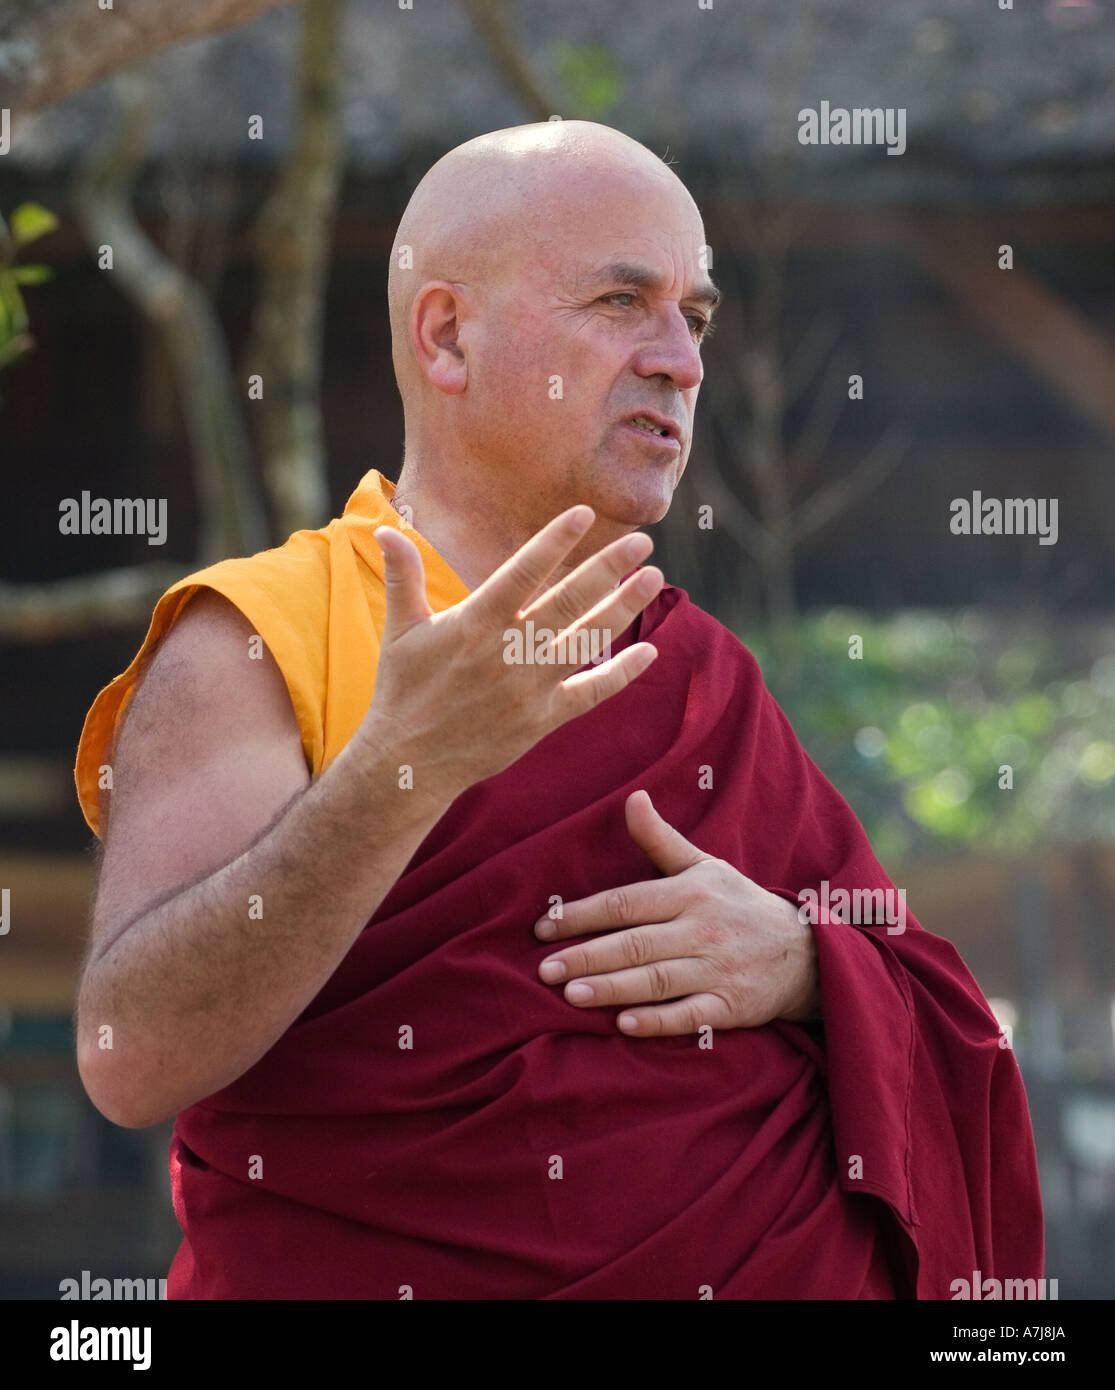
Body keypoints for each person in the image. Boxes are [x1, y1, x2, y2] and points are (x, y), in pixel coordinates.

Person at [73, 119, 1043, 1299]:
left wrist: (799, 964)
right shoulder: (260, 635)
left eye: (694, 315)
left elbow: (931, 1007)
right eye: (621, 300)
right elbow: (130, 1057)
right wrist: (402, 771)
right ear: (446, 336)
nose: (678, 360)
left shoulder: (695, 671)